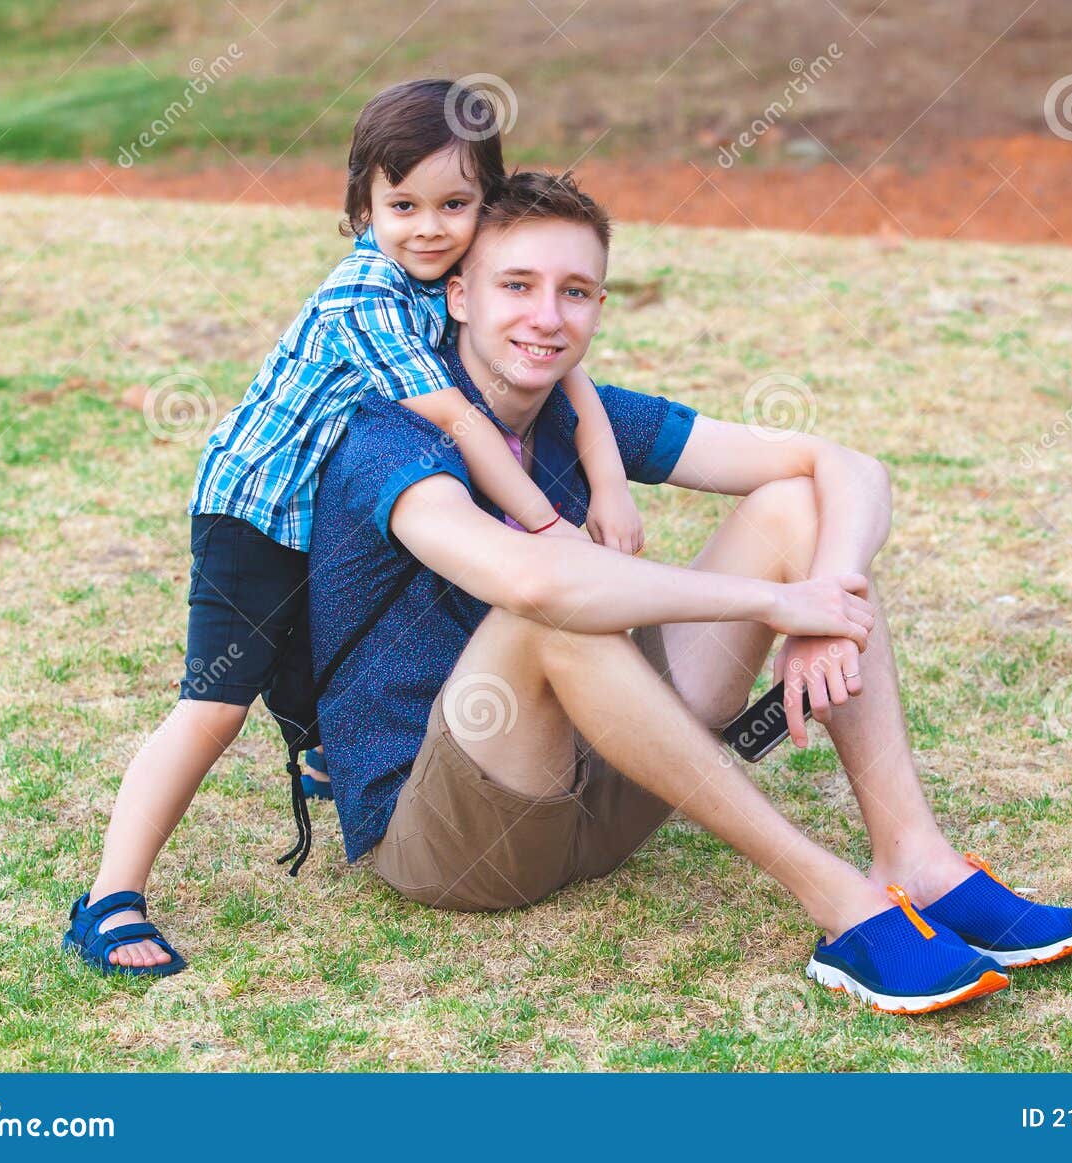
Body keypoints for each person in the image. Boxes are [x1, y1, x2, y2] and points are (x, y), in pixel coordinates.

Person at [309, 171, 1072, 1015]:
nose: (547, 316)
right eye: (518, 285)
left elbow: (847, 467)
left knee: (796, 509)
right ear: (460, 296)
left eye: (574, 291)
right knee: (550, 610)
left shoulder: (584, 415)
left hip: (594, 795)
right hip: (449, 839)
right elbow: (532, 576)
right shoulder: (389, 429)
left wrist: (824, 604)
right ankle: (843, 906)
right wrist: (769, 605)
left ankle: (916, 858)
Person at [64, 81, 641, 977]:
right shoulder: (369, 296)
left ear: (486, 205)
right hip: (252, 513)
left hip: (322, 518)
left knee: (325, 655)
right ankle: (109, 896)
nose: (427, 226)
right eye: (400, 204)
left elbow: (571, 377)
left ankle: (327, 755)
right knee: (213, 706)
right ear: (361, 206)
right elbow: (453, 417)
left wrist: (609, 479)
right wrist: (545, 525)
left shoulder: (452, 281)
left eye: (455, 204)